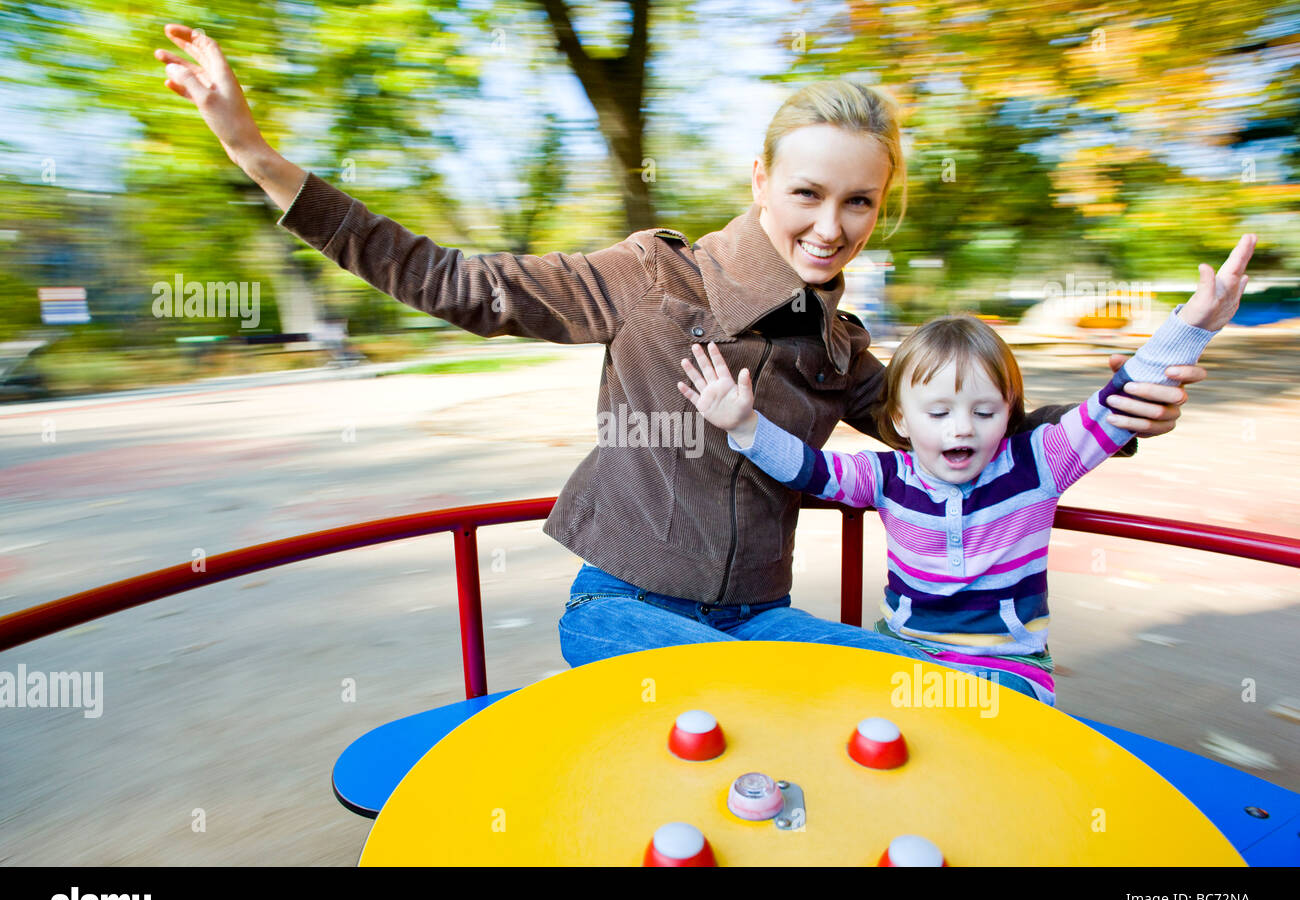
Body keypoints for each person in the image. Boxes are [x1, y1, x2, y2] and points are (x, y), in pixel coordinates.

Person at [154, 25, 1206, 695]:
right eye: (807, 192)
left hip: (759, 617)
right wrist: (258, 154)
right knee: (750, 704)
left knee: (922, 690)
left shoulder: (838, 346)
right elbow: (455, 283)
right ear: (760, 179)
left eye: (858, 202)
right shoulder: (649, 279)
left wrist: (1121, 408)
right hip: (625, 610)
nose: (831, 224)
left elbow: (949, 424)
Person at [678, 236, 1256, 705]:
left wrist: (1193, 326)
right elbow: (811, 469)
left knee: (986, 729)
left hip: (1006, 671)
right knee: (827, 678)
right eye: (939, 412)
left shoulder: (1038, 464)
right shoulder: (888, 477)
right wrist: (745, 426)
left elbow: (1116, 403)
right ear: (900, 419)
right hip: (905, 657)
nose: (961, 428)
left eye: (984, 411)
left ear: (1009, 413)